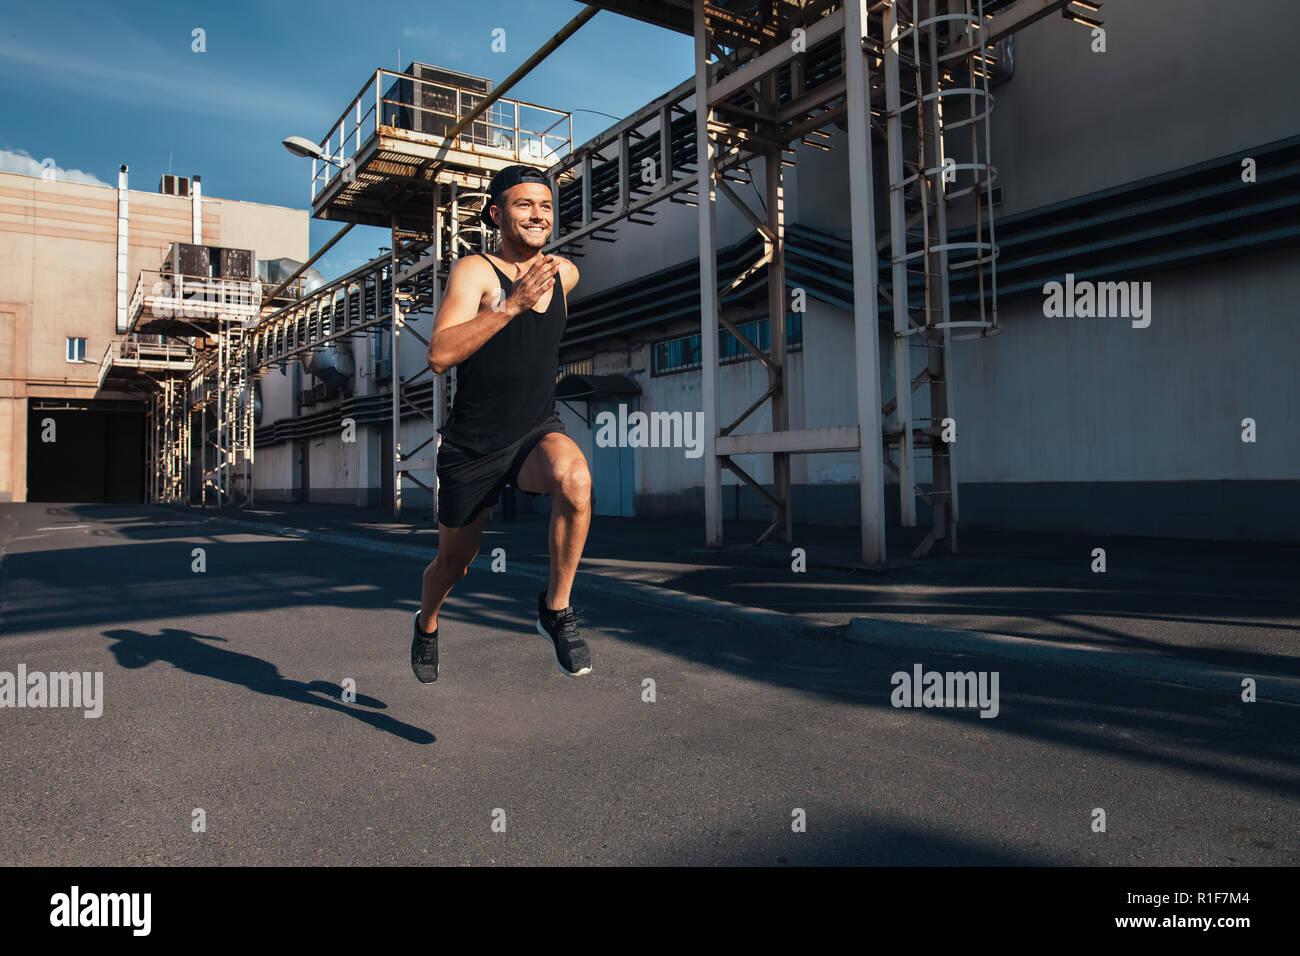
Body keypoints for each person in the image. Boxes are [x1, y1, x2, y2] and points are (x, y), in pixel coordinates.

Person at [410, 164, 593, 683]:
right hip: (472, 446)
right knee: (454, 565)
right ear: (496, 213)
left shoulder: (565, 274)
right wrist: (511, 306)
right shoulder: (475, 271)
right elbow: (440, 355)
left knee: (575, 479)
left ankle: (555, 610)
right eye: (523, 205)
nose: (537, 215)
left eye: (545, 206)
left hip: (535, 431)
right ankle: (426, 624)